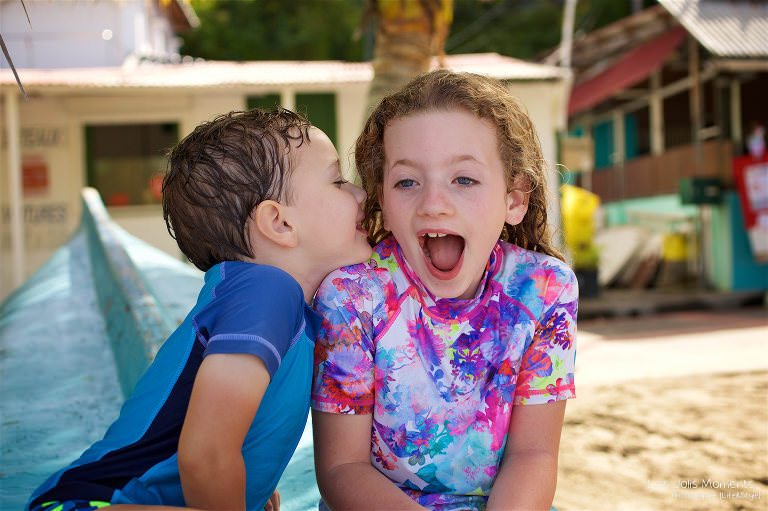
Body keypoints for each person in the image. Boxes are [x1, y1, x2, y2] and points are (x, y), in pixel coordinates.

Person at [27, 108, 373, 511]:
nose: (360, 193)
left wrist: (248, 489)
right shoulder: (268, 290)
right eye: (338, 181)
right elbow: (205, 456)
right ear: (279, 223)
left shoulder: (276, 302)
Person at [311, 70, 578, 511]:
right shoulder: (351, 299)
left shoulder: (544, 290)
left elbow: (534, 455)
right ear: (382, 200)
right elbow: (342, 469)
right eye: (407, 182)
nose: (433, 202)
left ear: (515, 198)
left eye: (464, 180)